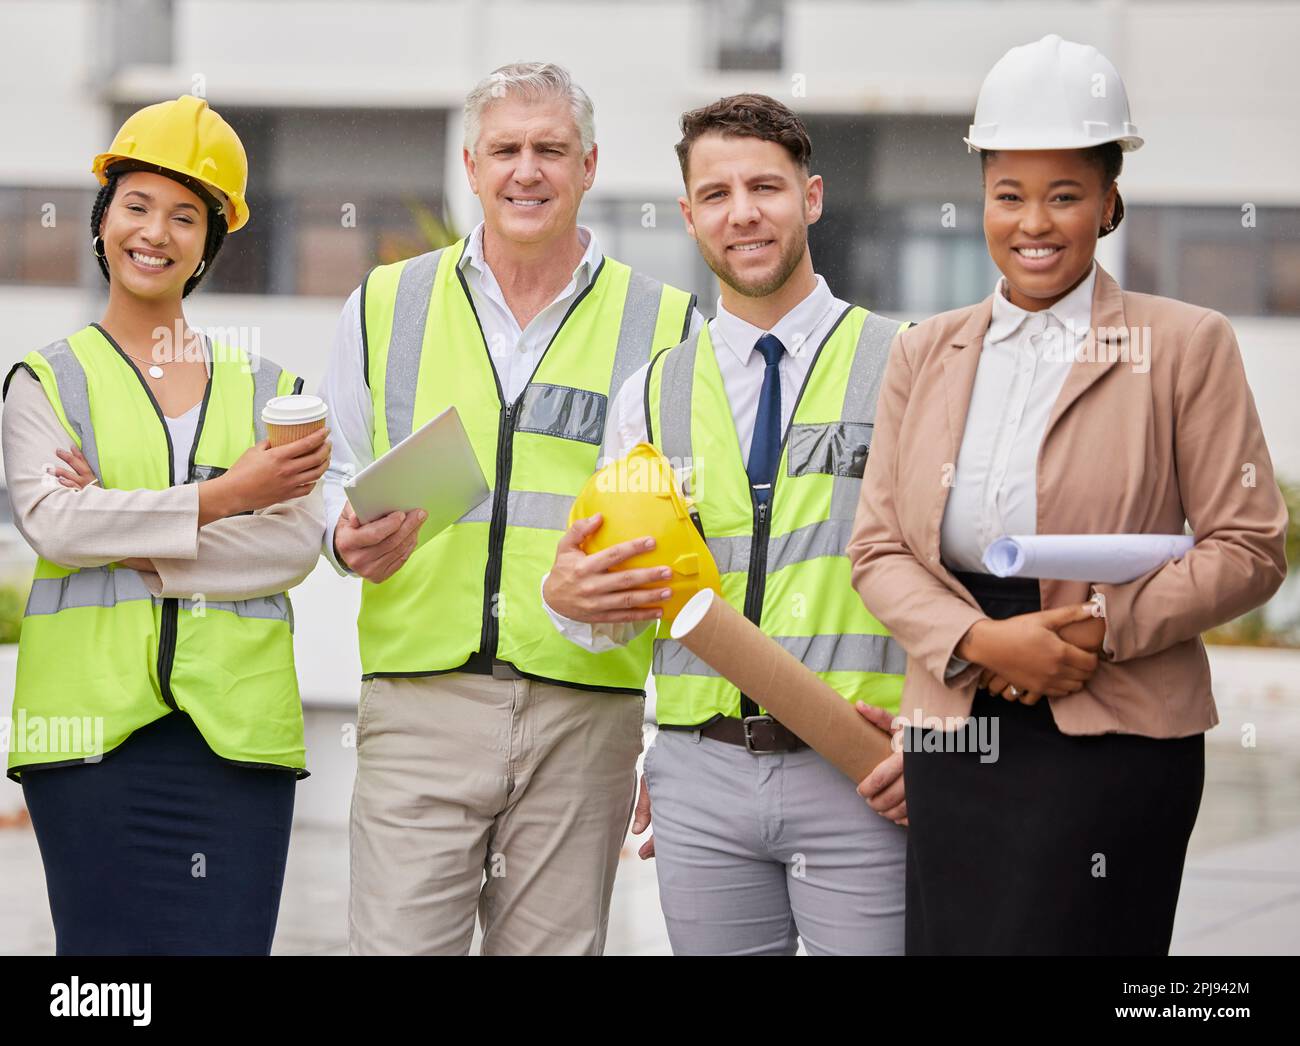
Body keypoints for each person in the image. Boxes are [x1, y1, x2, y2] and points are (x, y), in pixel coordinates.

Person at [846, 35, 1288, 955]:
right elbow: (879, 548)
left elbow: (1248, 549)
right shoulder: (923, 351)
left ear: (1109, 202)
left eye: (1064, 195)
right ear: (982, 202)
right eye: (1009, 195)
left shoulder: (1186, 344)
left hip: (1112, 727)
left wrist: (1098, 630)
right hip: (958, 721)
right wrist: (978, 639)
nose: (1033, 222)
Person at [320, 62, 700, 955]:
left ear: (590, 165)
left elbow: (693, 547)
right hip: (419, 706)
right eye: (506, 150)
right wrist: (341, 540)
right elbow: (330, 477)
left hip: (587, 717)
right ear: (471, 164)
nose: (526, 170)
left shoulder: (670, 325)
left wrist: (674, 735)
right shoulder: (385, 304)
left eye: (550, 149)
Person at [544, 94, 910, 955]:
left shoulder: (907, 362)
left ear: (811, 197)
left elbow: (958, 575)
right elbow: (617, 611)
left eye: (765, 188)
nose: (742, 213)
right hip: (699, 776)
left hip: (862, 767)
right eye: (716, 195)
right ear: (689, 216)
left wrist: (945, 741)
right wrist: (569, 599)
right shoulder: (651, 392)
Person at [2, 95, 330, 955]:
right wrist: (229, 496)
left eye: (187, 217)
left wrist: (133, 537)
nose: (157, 233)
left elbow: (295, 542)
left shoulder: (272, 390)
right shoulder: (46, 381)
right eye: (138, 206)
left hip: (236, 737)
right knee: (108, 977)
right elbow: (54, 525)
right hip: (88, 737)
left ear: (210, 246)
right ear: (103, 220)